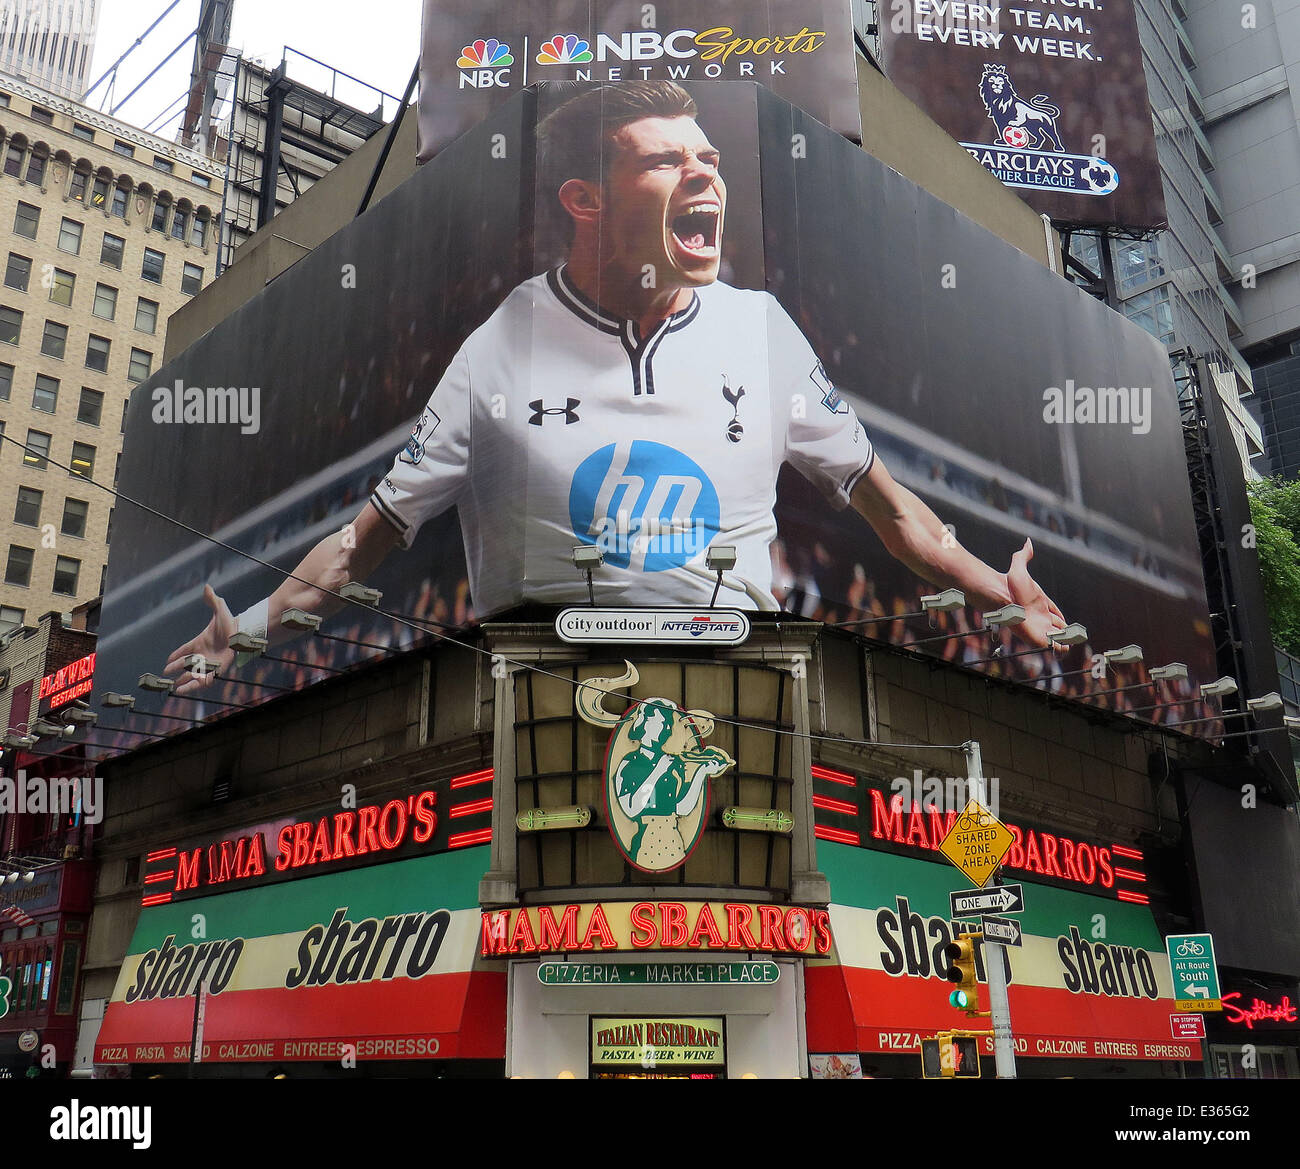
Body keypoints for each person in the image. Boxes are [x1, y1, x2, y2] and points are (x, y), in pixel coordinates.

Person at [165, 81, 1066, 693]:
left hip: (743, 705)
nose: (704, 172)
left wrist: (1001, 587)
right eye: (666, 161)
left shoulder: (759, 330)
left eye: (708, 156)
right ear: (585, 200)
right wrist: (247, 627)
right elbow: (359, 546)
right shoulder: (504, 345)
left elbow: (896, 514)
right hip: (543, 710)